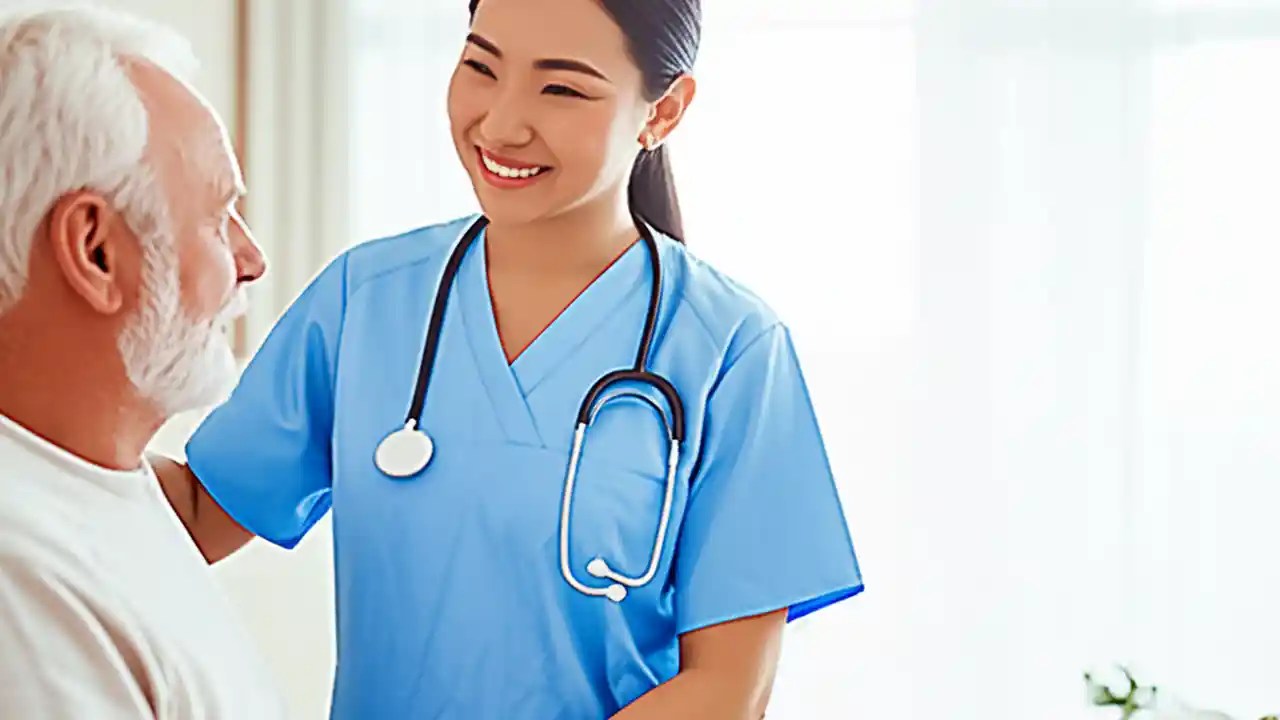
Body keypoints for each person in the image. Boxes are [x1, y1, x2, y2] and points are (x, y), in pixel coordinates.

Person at [155, 0, 864, 716]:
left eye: (561, 88)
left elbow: (726, 690)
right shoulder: (364, 301)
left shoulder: (730, 351)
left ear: (665, 110)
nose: (500, 124)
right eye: (481, 67)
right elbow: (197, 512)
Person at [0, 4, 284, 718]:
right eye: (219, 217)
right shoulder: (21, 580)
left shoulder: (96, 484)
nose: (253, 261)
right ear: (95, 251)